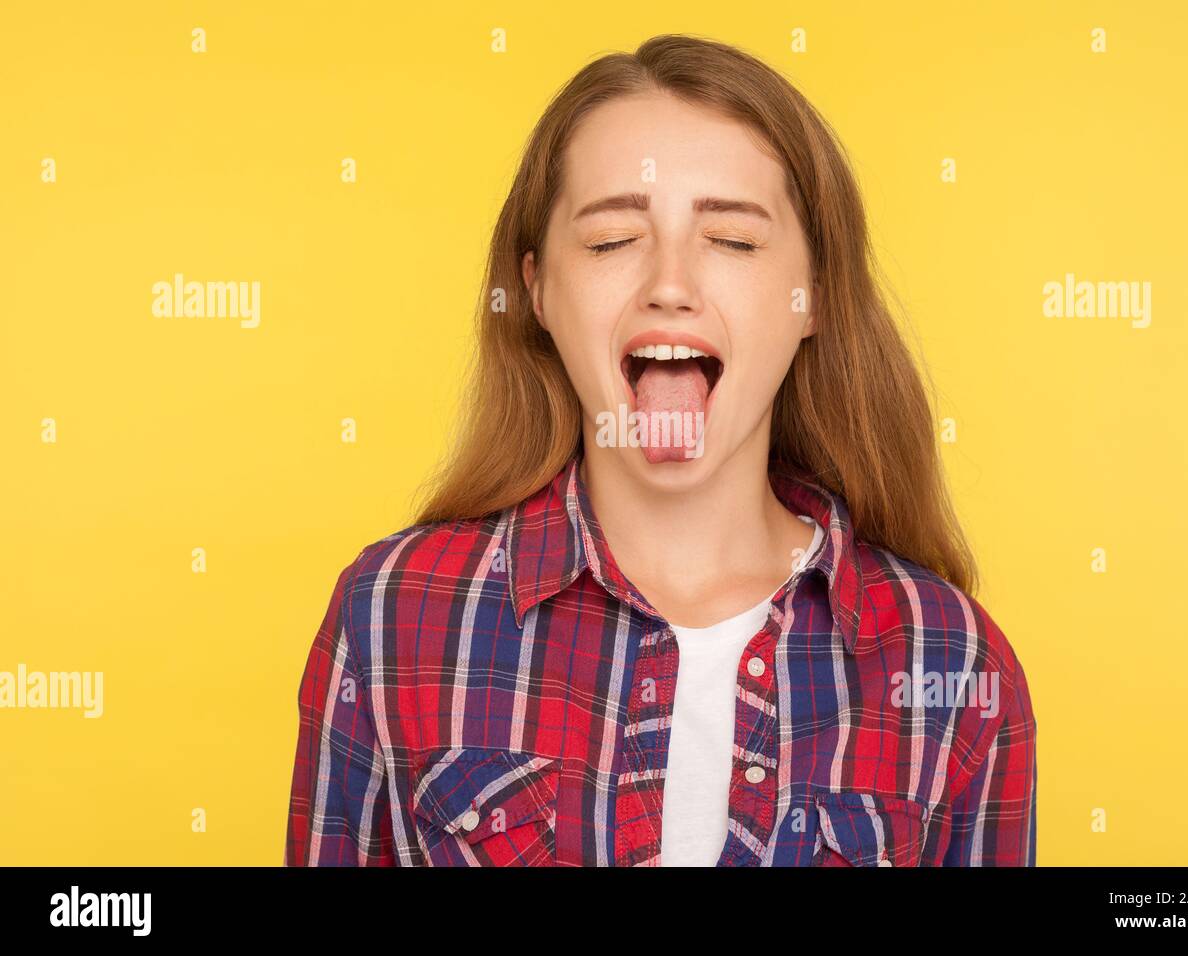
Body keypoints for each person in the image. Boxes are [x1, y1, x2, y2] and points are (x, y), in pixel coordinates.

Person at [285, 33, 1035, 867]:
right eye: (611, 241)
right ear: (536, 288)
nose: (670, 285)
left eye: (734, 242)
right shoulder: (390, 616)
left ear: (814, 297)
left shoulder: (954, 663)